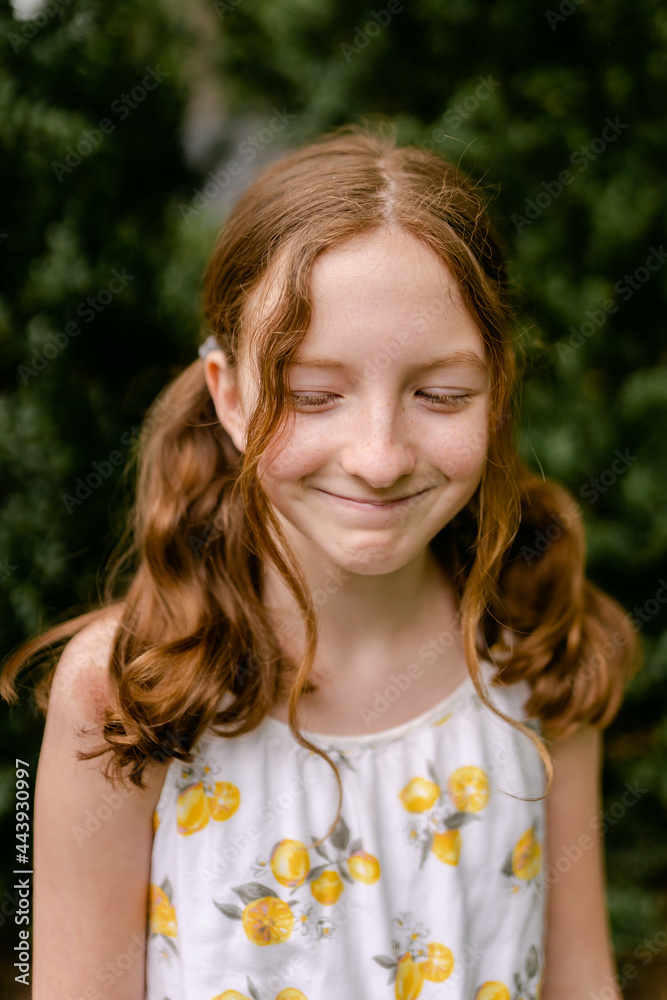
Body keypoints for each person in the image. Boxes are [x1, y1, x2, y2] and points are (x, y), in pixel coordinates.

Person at [1, 121, 639, 1000]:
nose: (378, 457)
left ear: (496, 395)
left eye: (440, 394)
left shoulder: (537, 653)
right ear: (228, 396)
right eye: (311, 394)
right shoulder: (127, 693)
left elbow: (582, 982)